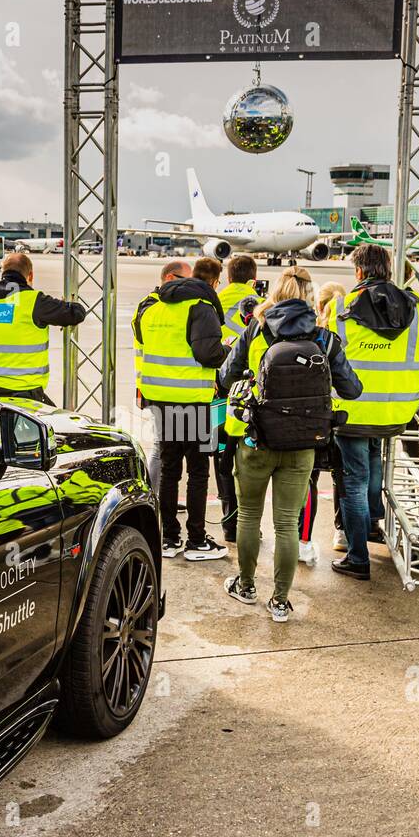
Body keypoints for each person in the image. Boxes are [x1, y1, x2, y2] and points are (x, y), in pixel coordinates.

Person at [217, 268, 360, 621]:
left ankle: (247, 585)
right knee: (285, 522)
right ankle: (280, 601)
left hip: (256, 438)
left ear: (276, 293)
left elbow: (225, 377)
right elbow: (352, 389)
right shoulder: (325, 339)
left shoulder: (257, 330)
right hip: (302, 442)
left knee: (249, 515)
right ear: (311, 297)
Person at [324, 243, 419, 580]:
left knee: (354, 481)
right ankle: (372, 524)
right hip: (397, 409)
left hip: (354, 409)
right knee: (374, 460)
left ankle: (358, 556)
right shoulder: (415, 308)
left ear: (359, 272)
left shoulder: (341, 307)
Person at [134, 259, 229, 560]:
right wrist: (228, 349)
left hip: (160, 399)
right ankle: (197, 540)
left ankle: (169, 538)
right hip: (193, 401)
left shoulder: (153, 308)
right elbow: (208, 353)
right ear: (211, 284)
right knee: (199, 472)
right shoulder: (200, 307)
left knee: (170, 470)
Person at [0, 250, 86, 403]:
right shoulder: (34, 302)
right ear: (30, 276)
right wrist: (64, 304)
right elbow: (76, 313)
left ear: (3, 273)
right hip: (21, 391)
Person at [212, 255, 261, 541]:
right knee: (249, 458)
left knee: (222, 456)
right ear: (253, 278)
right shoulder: (263, 306)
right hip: (252, 393)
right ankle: (248, 524)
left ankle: (229, 522)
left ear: (229, 277)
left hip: (220, 390)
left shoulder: (215, 300)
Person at [299, 280, 348, 562]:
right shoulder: (347, 332)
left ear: (318, 305)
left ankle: (304, 539)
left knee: (309, 478)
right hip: (344, 415)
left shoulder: (314, 336)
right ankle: (341, 532)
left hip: (318, 417)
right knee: (344, 478)